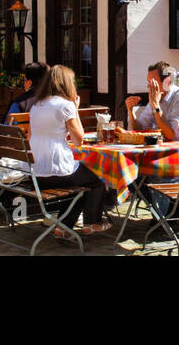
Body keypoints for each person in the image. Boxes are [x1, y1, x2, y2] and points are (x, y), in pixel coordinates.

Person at [28, 65, 110, 236]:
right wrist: (75, 109)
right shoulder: (65, 105)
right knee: (100, 176)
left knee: (78, 184)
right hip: (55, 171)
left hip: (36, 172)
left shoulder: (36, 106)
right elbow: (79, 141)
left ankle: (63, 228)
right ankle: (92, 222)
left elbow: (31, 136)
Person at [125, 61, 179, 142]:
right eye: (148, 82)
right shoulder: (156, 98)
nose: (149, 86)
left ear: (168, 82)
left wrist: (156, 106)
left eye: (153, 82)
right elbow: (140, 129)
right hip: (170, 149)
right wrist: (130, 111)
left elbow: (171, 135)